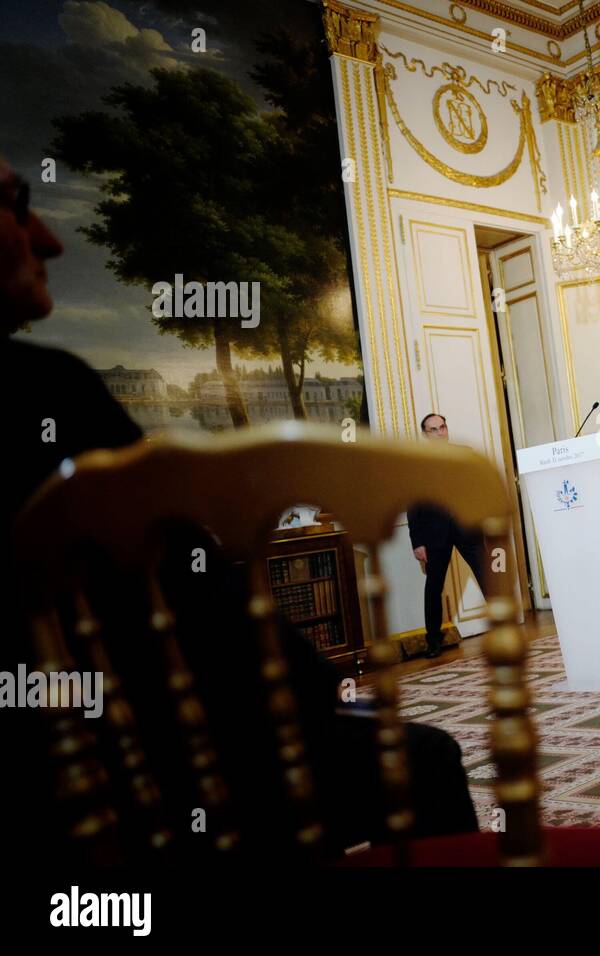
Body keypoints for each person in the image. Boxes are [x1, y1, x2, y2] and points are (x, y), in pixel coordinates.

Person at [0, 155, 477, 861]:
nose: (50, 239)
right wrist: (317, 692)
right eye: (17, 205)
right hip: (145, 764)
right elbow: (195, 600)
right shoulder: (40, 389)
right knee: (424, 756)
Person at [407, 412, 485, 657]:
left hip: (467, 527)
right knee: (433, 587)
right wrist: (417, 542)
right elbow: (413, 504)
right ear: (425, 434)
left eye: (442, 427)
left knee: (488, 576)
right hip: (434, 535)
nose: (440, 433)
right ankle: (433, 641)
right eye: (434, 429)